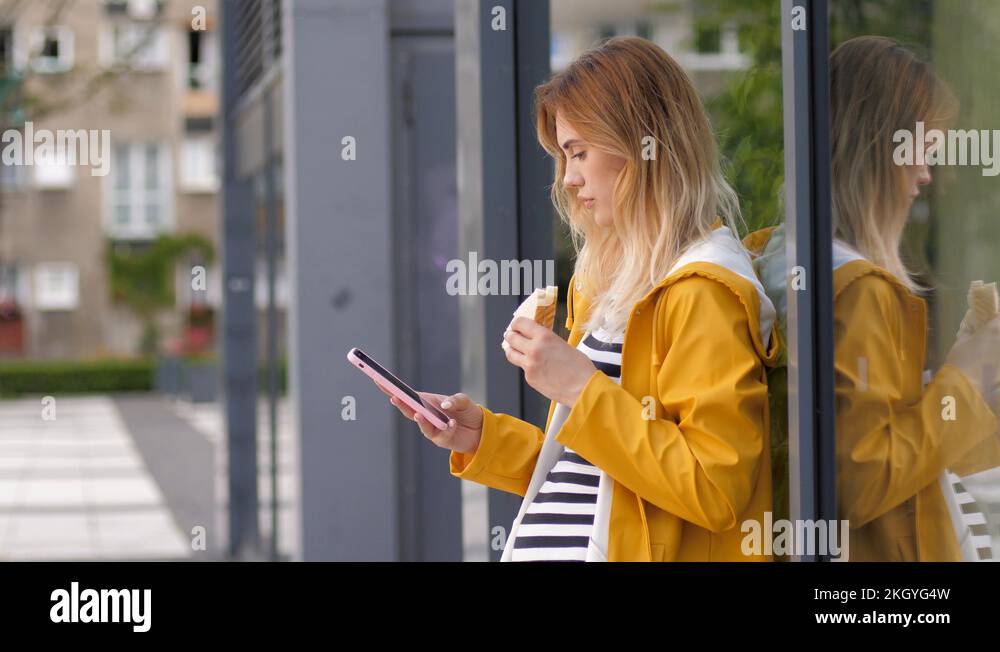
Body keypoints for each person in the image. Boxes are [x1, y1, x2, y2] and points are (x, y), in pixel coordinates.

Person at [385, 36, 779, 561]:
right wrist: (483, 439)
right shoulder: (610, 286)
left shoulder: (704, 290)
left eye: (579, 152)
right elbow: (602, 480)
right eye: (564, 157)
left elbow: (713, 486)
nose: (569, 179)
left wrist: (580, 387)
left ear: (643, 145)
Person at [752, 36, 1000, 560]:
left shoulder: (779, 258)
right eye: (922, 151)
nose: (926, 175)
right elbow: (867, 480)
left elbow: (892, 443)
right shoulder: (856, 289)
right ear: (877, 147)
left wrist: (969, 390)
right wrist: (967, 374)